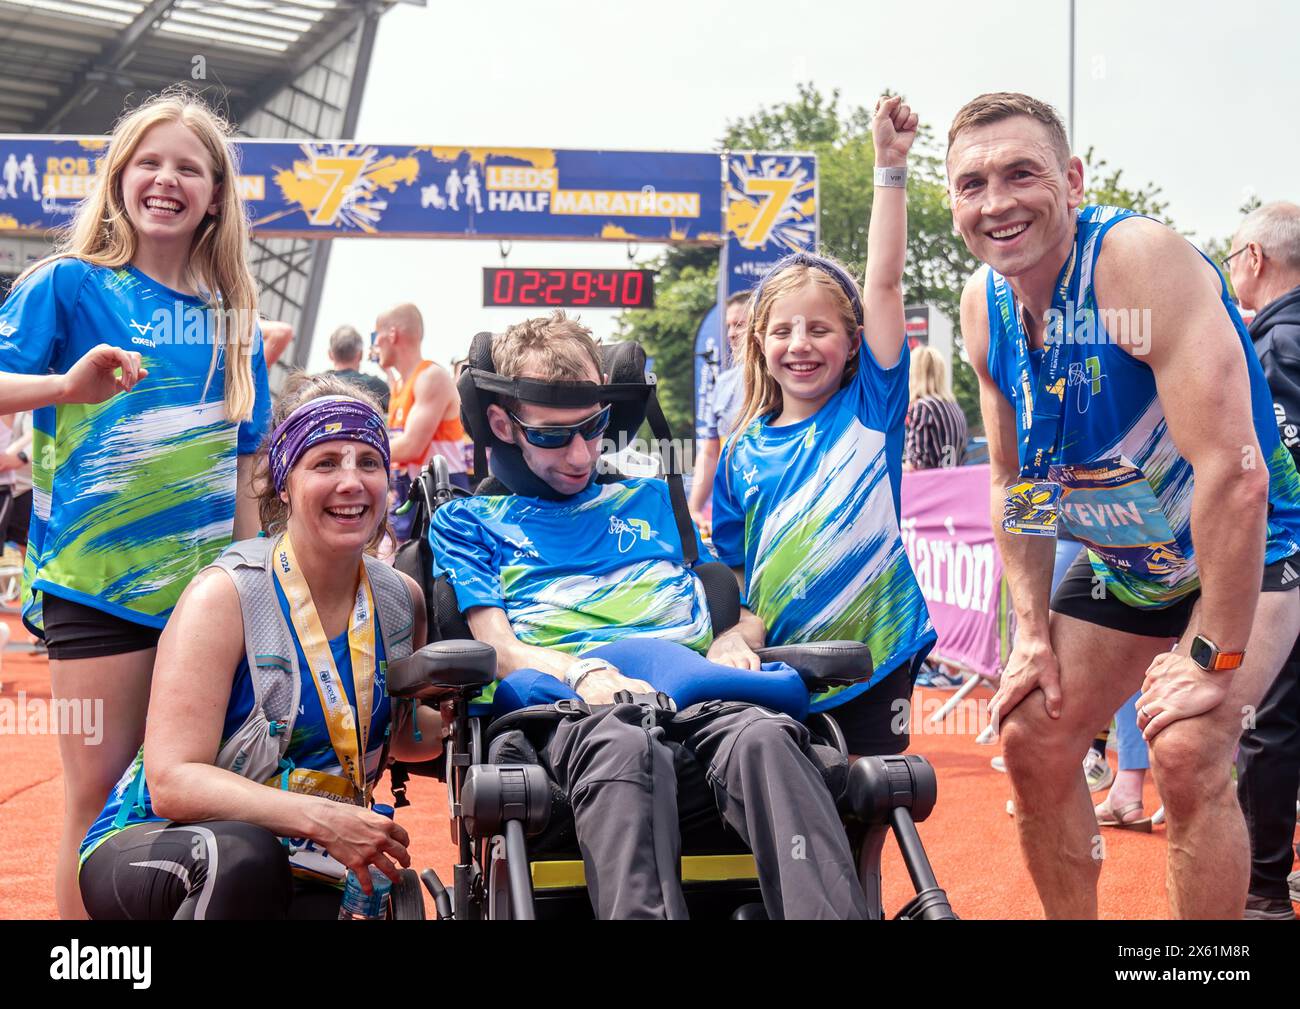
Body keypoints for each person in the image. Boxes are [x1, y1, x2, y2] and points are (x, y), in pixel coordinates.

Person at [950, 92, 1300, 918]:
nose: (997, 202)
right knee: (1032, 731)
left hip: (1256, 545)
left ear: (1071, 180)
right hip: (1134, 563)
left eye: (1021, 173)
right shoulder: (982, 307)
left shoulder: (1136, 263)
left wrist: (1211, 653)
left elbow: (1234, 472)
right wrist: (1031, 633)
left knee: (1185, 746)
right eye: (972, 184)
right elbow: (1018, 483)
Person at [429, 311, 869, 920]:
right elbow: (497, 646)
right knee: (622, 742)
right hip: (575, 715)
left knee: (769, 737)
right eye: (554, 436)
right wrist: (583, 674)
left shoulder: (655, 500)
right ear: (503, 423)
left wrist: (733, 641)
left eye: (594, 428)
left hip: (703, 701)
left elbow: (738, 612)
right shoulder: (467, 522)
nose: (582, 453)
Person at [0, 90, 272, 919]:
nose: (166, 179)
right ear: (119, 180)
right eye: (148, 162)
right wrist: (64, 385)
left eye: (188, 167)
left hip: (207, 603)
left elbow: (244, 471)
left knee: (194, 798)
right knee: (94, 805)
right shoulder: (67, 286)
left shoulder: (237, 323)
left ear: (216, 195)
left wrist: (257, 590)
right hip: (98, 590)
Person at [78, 376, 441, 919]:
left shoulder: (398, 600)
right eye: (325, 464)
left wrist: (494, 704)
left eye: (369, 461)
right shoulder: (226, 594)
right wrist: (320, 818)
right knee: (241, 859)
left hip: (308, 858)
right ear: (284, 483)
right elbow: (173, 782)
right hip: (167, 842)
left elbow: (405, 735)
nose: (353, 481)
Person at [712, 96, 936, 757]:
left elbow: (886, 283)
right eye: (783, 329)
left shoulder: (871, 406)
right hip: (780, 671)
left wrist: (888, 170)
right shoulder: (741, 451)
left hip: (877, 652)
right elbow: (731, 571)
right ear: (757, 342)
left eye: (820, 328)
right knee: (789, 816)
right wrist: (731, 634)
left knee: (870, 806)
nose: (800, 343)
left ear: (852, 340)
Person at [1225, 200, 1300, 919]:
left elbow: (1272, 479)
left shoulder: (1272, 351)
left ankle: (1264, 888)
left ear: (1254, 260)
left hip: (1289, 571)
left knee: (1268, 721)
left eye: (1230, 256)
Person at [373, 302, 468, 539]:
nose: (374, 345)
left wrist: (358, 452)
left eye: (377, 335)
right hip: (412, 494)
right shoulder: (401, 385)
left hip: (441, 497)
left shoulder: (431, 377)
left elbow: (410, 446)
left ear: (393, 334)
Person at [688, 291, 750, 537]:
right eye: (728, 326)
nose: (731, 334)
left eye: (740, 325)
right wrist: (693, 510)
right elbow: (710, 451)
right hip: (731, 512)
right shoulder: (723, 383)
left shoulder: (784, 378)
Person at [904, 345, 968, 470]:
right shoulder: (953, 407)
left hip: (933, 486)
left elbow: (916, 464)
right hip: (955, 484)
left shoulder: (922, 408)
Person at [326, 323, 390, 411]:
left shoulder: (313, 384)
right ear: (360, 355)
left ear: (330, 355)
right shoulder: (376, 386)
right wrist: (388, 371)